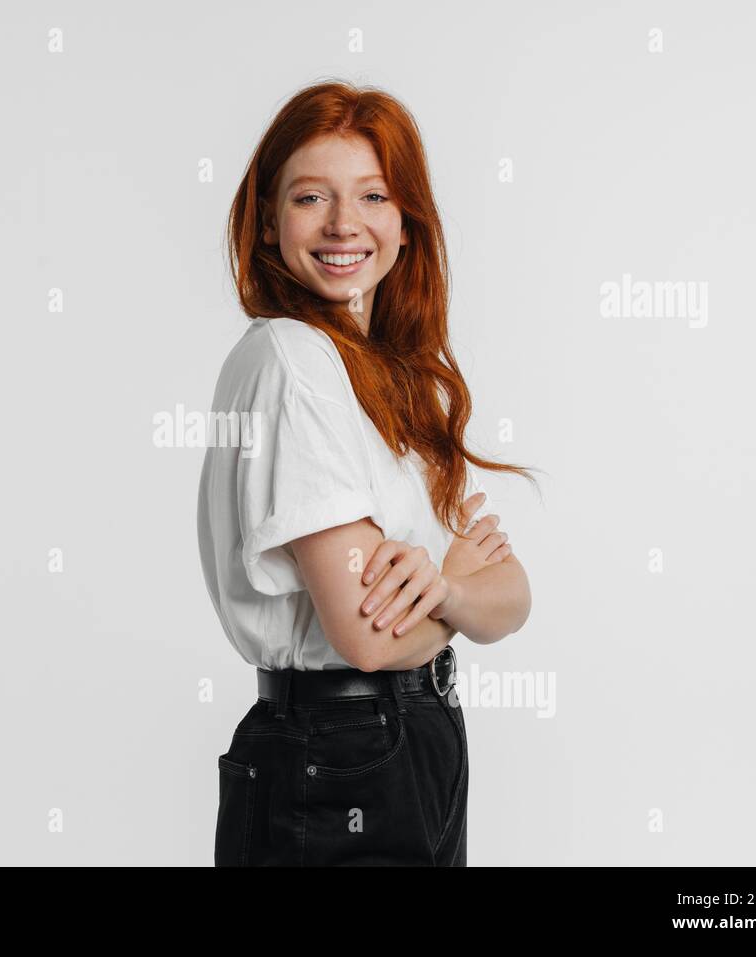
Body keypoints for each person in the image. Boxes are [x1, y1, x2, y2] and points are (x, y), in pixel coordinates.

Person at [197, 80, 538, 866]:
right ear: (269, 222)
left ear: (406, 222)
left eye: (374, 195)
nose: (344, 224)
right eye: (311, 197)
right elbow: (365, 638)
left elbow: (512, 596)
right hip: (341, 750)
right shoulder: (293, 360)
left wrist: (442, 590)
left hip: (410, 740)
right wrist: (456, 595)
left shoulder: (389, 380)